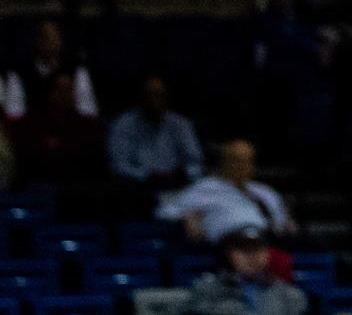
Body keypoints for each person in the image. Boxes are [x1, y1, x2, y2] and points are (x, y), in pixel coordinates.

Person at [159, 139, 296, 245]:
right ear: (224, 162)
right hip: (224, 248)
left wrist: (287, 226)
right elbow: (164, 211)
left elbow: (281, 226)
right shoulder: (206, 188)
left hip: (263, 246)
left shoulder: (265, 192)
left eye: (247, 161)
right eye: (237, 161)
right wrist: (187, 216)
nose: (243, 166)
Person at [108, 74, 204, 213]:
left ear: (167, 98)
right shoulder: (124, 124)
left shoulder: (180, 124)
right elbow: (119, 164)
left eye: (159, 95)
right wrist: (146, 175)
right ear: (141, 97)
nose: (155, 100)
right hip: (138, 188)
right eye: (150, 95)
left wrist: (184, 173)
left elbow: (196, 161)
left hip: (176, 186)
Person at [188, 228, 308, 315]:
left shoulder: (289, 295)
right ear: (230, 254)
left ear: (267, 254)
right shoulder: (206, 288)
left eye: (257, 250)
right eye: (244, 251)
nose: (252, 256)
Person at [3, 16, 98, 120]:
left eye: (55, 37)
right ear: (37, 40)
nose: (50, 42)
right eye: (45, 37)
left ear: (61, 40)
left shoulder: (76, 69)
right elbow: (14, 112)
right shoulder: (20, 72)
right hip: (34, 128)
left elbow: (87, 110)